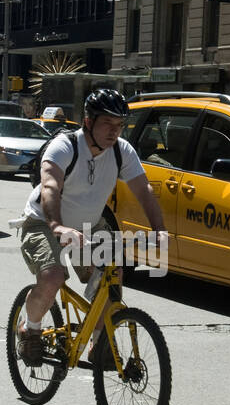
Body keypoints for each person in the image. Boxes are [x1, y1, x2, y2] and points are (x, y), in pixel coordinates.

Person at [15, 88, 167, 368]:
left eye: (120, 125)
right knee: (52, 277)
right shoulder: (65, 146)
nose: (114, 132)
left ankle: (99, 342)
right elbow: (50, 186)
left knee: (112, 273)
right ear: (88, 121)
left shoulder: (122, 152)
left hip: (90, 225)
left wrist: (159, 229)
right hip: (44, 220)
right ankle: (30, 328)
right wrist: (58, 227)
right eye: (107, 123)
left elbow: (143, 190)